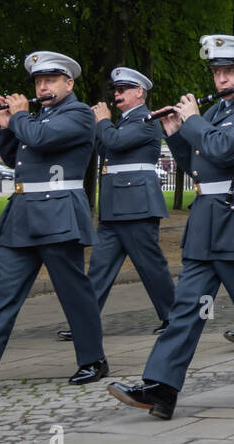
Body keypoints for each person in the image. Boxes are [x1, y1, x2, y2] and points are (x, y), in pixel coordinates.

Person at [106, 35, 234, 419]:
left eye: (229, 71)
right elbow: (198, 166)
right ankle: (162, 386)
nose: (221, 79)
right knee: (186, 309)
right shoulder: (215, 115)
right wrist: (176, 133)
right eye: (216, 72)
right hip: (208, 220)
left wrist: (191, 121)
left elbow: (224, 150)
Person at [0, 51, 109, 395]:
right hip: (23, 214)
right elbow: (13, 155)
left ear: (69, 83)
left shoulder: (79, 114)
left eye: (50, 80)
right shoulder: (35, 119)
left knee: (73, 292)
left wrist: (19, 116)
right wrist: (3, 123)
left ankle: (93, 359)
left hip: (59, 212)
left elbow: (40, 139)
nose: (42, 86)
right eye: (38, 81)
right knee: (2, 294)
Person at [59, 66, 173, 342]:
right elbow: (104, 148)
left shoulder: (147, 120)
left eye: (123, 90)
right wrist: (94, 124)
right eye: (116, 90)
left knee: (150, 266)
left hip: (137, 205)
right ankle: (84, 322)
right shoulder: (120, 122)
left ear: (139, 92)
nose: (117, 94)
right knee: (99, 267)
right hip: (114, 205)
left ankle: (174, 316)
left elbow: (114, 141)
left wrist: (102, 122)